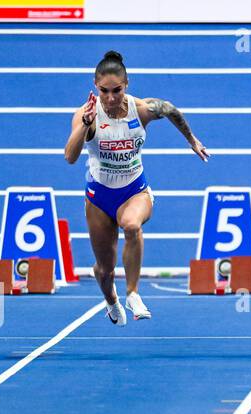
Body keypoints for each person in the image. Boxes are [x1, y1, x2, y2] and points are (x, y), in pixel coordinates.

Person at [65, 50, 209, 325]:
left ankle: (133, 293)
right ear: (96, 86)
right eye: (104, 91)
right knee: (105, 270)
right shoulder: (87, 115)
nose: (110, 98)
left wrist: (192, 139)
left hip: (134, 190)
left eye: (116, 90)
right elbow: (70, 157)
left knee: (131, 225)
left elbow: (169, 109)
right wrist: (83, 127)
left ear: (126, 85)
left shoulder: (141, 110)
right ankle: (111, 300)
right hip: (99, 197)